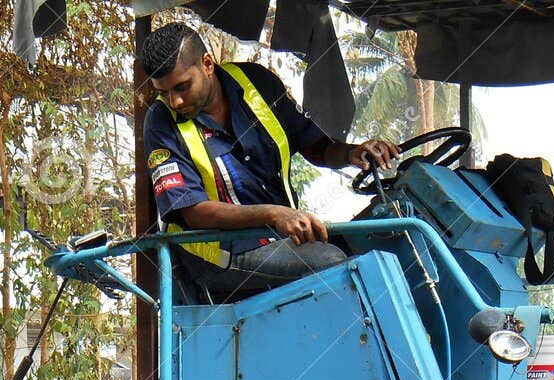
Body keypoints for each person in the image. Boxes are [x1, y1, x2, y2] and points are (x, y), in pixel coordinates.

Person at [141, 22, 400, 301]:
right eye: (164, 92)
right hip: (220, 254)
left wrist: (351, 153)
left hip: (280, 239)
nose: (175, 101)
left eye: (182, 87)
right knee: (332, 262)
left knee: (380, 240)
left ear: (207, 64)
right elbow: (194, 212)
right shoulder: (161, 122)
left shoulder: (257, 82)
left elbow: (314, 146)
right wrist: (276, 215)